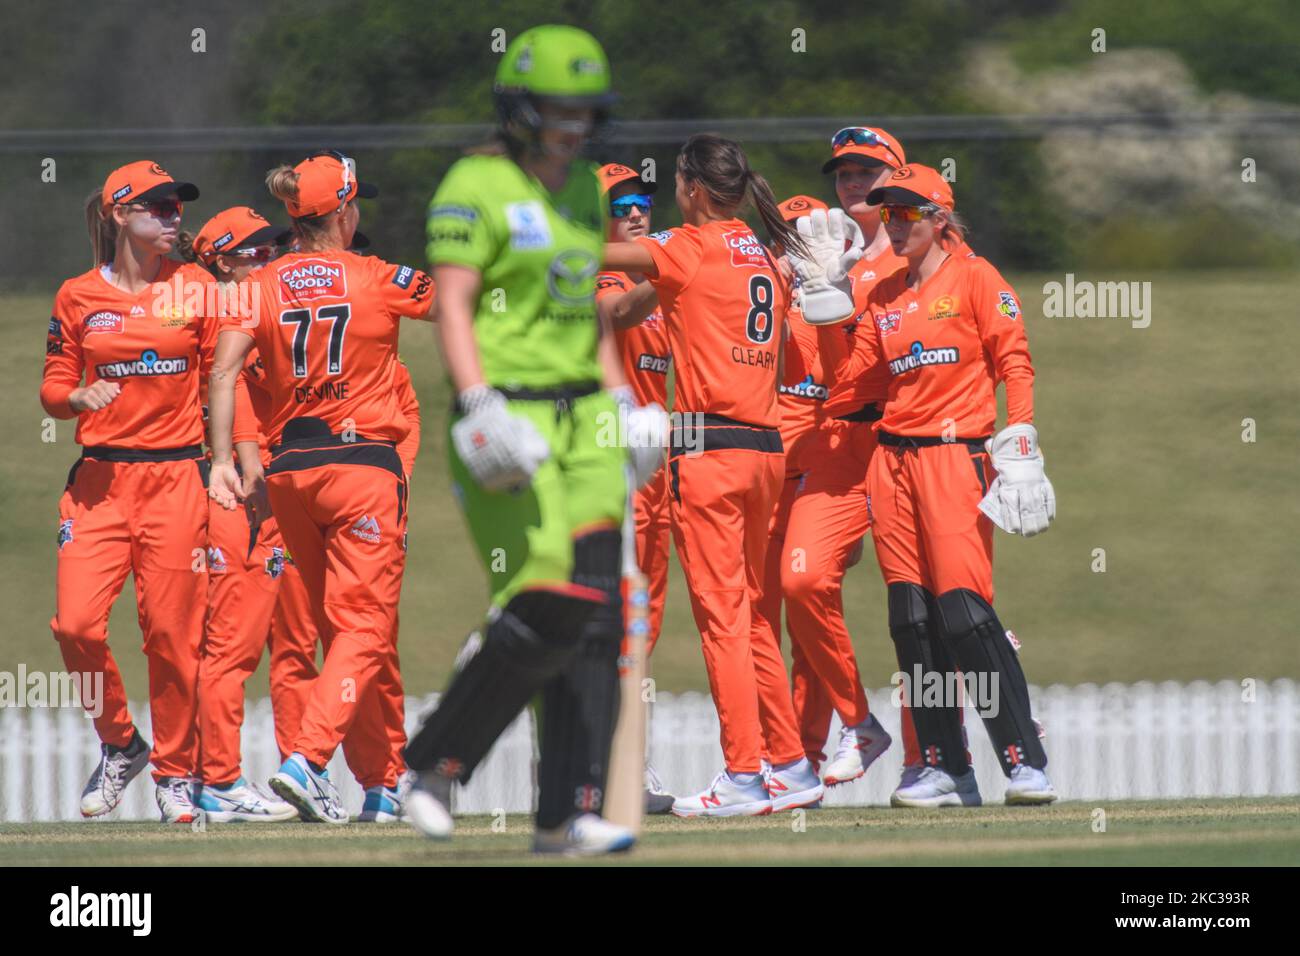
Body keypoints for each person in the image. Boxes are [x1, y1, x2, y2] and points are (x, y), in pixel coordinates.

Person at [401, 25, 664, 855]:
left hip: (584, 413)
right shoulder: (473, 183)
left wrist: (626, 403)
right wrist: (476, 400)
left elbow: (585, 309)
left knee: (605, 613)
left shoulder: (586, 188)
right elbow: (451, 303)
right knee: (548, 599)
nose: (571, 126)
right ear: (519, 107)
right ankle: (436, 764)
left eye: (584, 111)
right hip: (507, 413)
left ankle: (565, 813)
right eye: (557, 109)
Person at [810, 162, 1058, 807]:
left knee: (964, 614)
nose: (892, 223)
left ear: (938, 218)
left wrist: (1023, 438)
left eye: (906, 213)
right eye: (887, 213)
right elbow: (851, 390)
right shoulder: (885, 295)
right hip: (891, 464)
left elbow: (1015, 360)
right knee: (912, 620)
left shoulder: (977, 278)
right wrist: (828, 314)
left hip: (955, 456)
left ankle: (1024, 761)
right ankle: (946, 769)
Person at [206, 150, 437, 824]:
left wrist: (224, 457)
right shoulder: (373, 274)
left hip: (291, 474)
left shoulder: (261, 284)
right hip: (362, 464)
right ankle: (307, 760)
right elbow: (454, 300)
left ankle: (382, 784)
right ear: (341, 211)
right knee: (366, 626)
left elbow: (223, 372)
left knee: (347, 637)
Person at [604, 134, 823, 817]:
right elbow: (649, 302)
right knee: (753, 613)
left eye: (673, 182)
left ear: (693, 188)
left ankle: (744, 774)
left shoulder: (688, 244)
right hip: (764, 450)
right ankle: (789, 764)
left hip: (709, 452)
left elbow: (596, 255)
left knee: (722, 616)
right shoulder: (762, 251)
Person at [41, 161, 212, 823]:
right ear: (118, 214)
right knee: (75, 625)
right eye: (157, 206)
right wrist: (76, 395)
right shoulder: (77, 296)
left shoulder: (198, 287)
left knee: (172, 636)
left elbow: (227, 377)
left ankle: (175, 772)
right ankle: (120, 741)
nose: (172, 216)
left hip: (177, 480)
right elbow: (53, 389)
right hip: (99, 484)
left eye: (176, 206)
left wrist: (233, 462)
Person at [186, 206, 299, 822]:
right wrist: (243, 467)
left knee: (245, 647)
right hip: (236, 496)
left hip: (265, 492)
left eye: (274, 246)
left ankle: (214, 779)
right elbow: (225, 403)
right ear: (223, 261)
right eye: (257, 251)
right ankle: (219, 782)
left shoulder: (254, 313)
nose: (271, 257)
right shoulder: (217, 322)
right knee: (230, 647)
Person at [592, 162, 675, 815]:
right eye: (621, 204)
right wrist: (670, 277)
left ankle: (623, 766)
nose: (638, 211)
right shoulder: (601, 278)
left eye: (643, 200)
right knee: (613, 626)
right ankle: (597, 770)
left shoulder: (651, 278)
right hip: (611, 470)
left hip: (657, 474)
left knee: (642, 631)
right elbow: (618, 310)